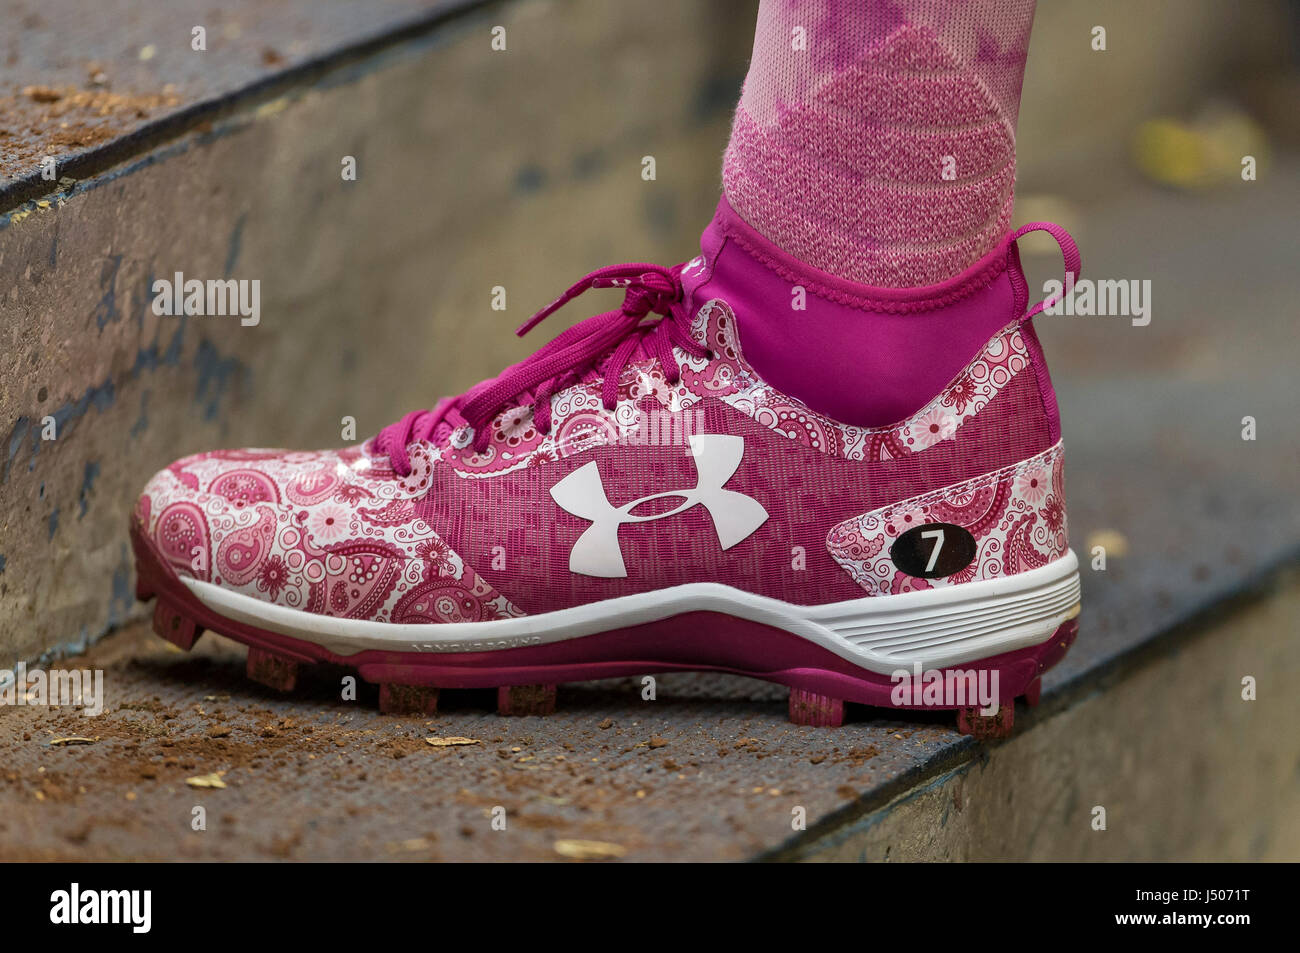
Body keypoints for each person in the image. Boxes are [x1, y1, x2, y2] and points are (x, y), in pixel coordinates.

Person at [132, 1, 1081, 737]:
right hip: (945, 433)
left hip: (876, 422)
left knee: (828, 303)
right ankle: (890, 395)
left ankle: (828, 353)